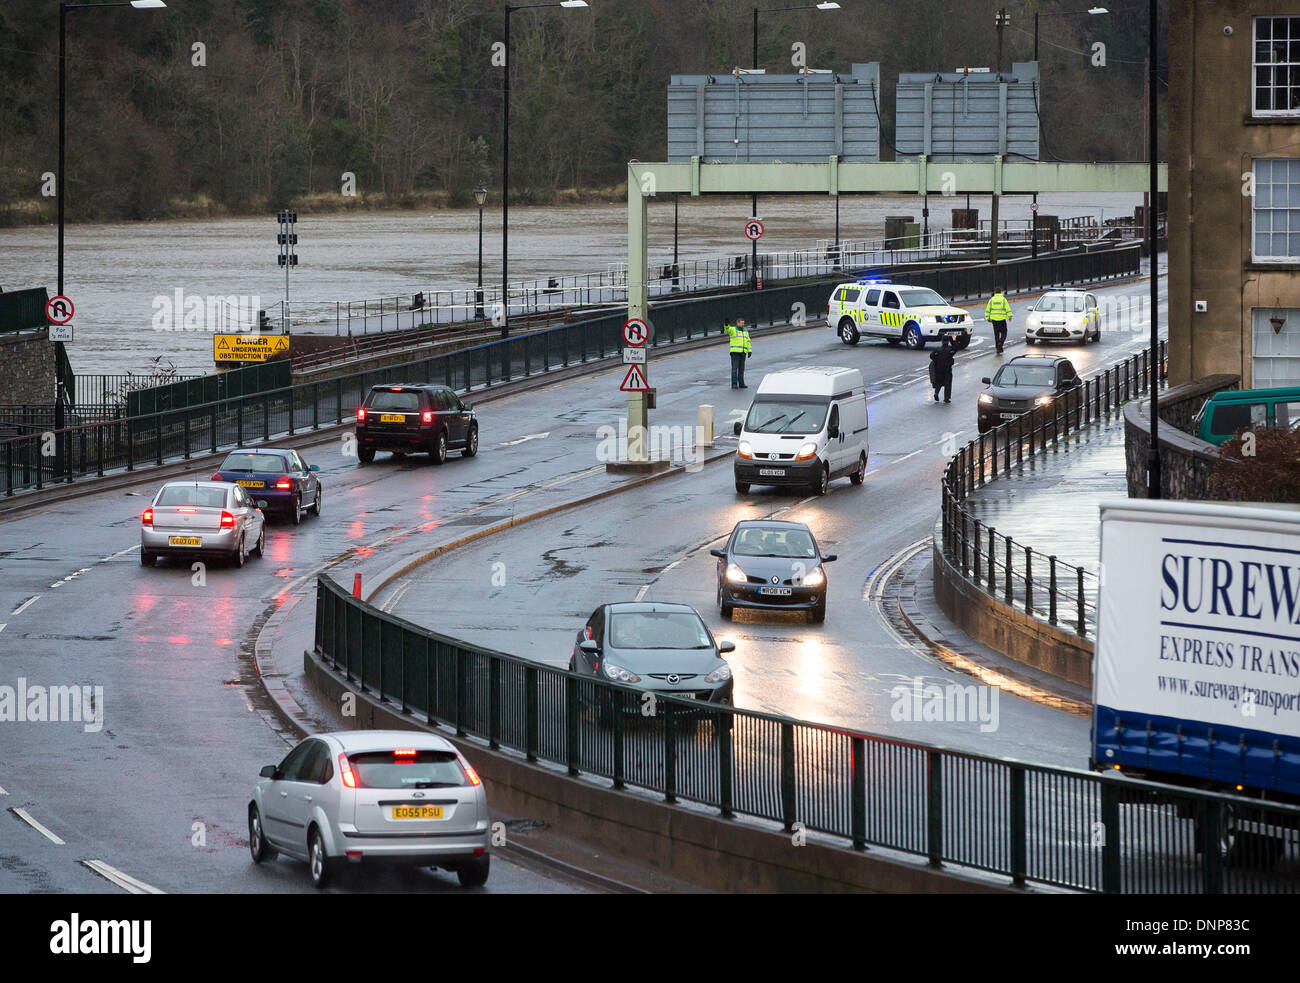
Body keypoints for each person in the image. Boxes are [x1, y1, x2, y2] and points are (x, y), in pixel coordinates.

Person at [724, 317, 752, 388]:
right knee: (734, 369)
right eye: (741, 323)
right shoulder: (733, 329)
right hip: (735, 352)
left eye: (743, 323)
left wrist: (749, 351)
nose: (743, 324)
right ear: (738, 323)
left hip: (743, 352)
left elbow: (748, 341)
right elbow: (727, 329)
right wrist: (726, 324)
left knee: (741, 369)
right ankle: (734, 384)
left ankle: (741, 383)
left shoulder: (745, 331)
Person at [985, 287, 1012, 354]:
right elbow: (1007, 308)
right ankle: (1001, 343)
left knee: (996, 334)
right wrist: (1010, 316)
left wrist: (988, 318)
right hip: (1002, 319)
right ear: (1000, 292)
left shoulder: (991, 300)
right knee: (1004, 333)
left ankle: (998, 348)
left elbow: (988, 310)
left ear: (994, 292)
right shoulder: (1003, 300)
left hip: (994, 320)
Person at [929, 336, 955, 403]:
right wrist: (952, 339)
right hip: (947, 369)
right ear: (948, 341)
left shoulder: (938, 349)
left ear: (942, 341)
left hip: (938, 369)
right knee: (947, 383)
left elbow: (931, 355)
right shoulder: (950, 349)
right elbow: (956, 348)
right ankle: (946, 398)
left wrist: (936, 359)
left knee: (939, 383)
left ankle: (936, 393)